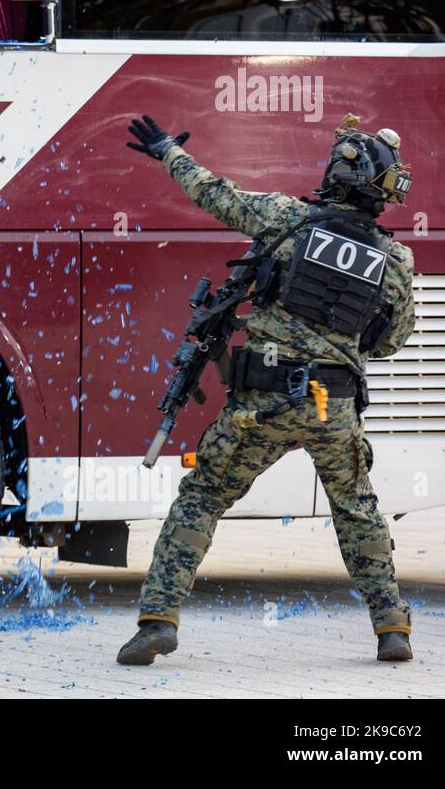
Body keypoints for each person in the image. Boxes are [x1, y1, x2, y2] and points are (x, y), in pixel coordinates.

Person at [118, 113, 416, 665]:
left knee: (204, 497)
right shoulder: (396, 259)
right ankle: (392, 628)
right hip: (332, 408)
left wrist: (168, 152)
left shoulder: (285, 217)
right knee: (356, 509)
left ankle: (157, 620)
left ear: (336, 175)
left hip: (261, 400)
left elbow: (214, 193)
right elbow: (391, 341)